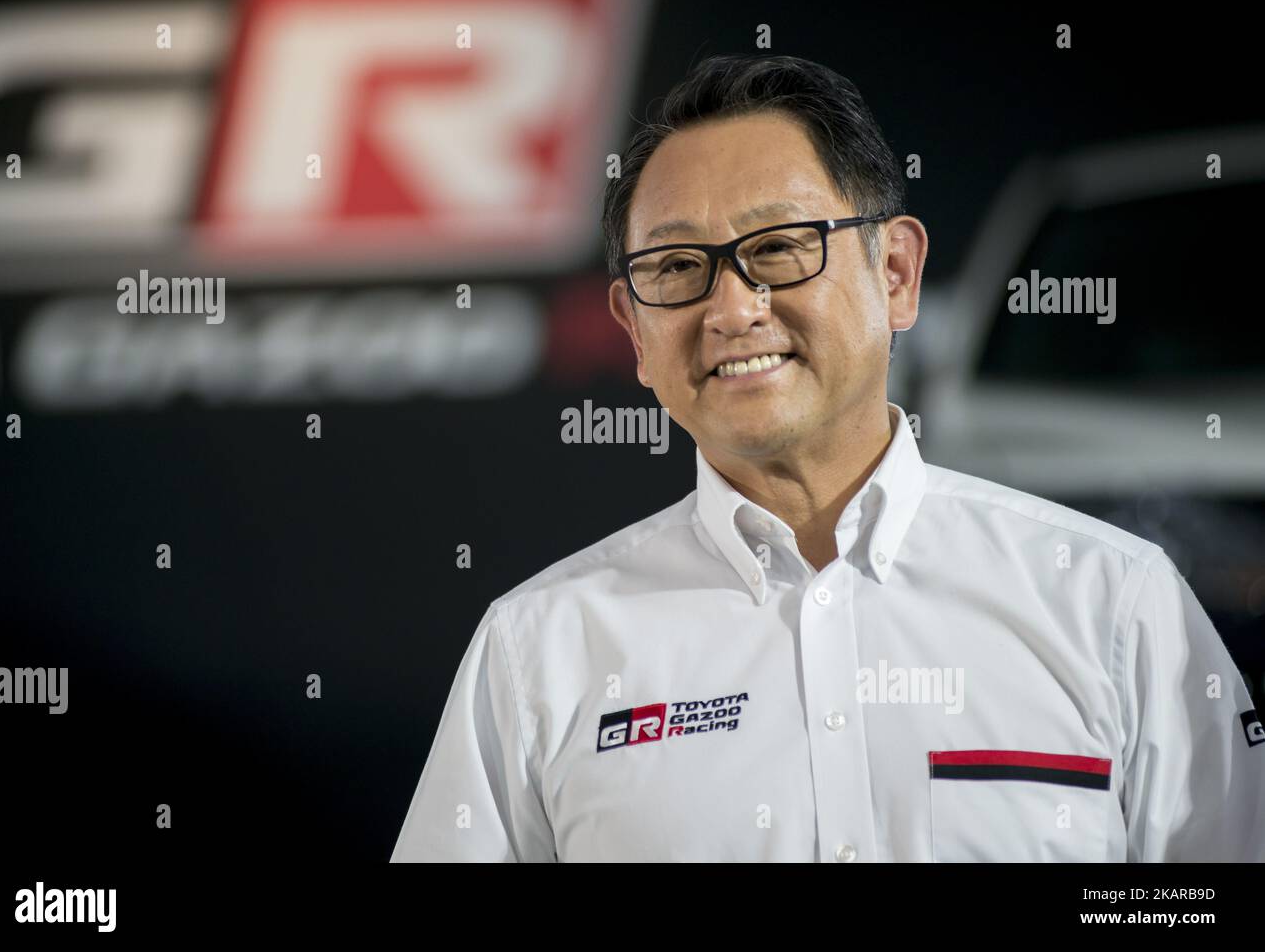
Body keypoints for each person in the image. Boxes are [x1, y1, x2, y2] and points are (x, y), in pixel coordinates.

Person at [391, 54, 1264, 862]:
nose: (732, 309)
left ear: (896, 274)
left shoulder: (1112, 602)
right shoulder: (538, 652)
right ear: (635, 333)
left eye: (777, 248)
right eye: (677, 266)